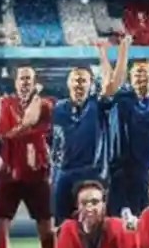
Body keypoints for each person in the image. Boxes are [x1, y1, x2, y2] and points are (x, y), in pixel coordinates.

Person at [50, 38, 128, 223]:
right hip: (64, 175)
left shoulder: (98, 104)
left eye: (83, 80)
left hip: (93, 175)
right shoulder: (58, 108)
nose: (79, 84)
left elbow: (112, 83)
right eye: (75, 80)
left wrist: (107, 53)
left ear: (90, 84)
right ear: (68, 83)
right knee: (62, 225)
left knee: (95, 225)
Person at [0, 66, 55, 248]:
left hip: (37, 172)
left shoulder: (45, 104)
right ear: (16, 82)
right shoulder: (4, 104)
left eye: (29, 78)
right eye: (22, 78)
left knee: (45, 223)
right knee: (1, 221)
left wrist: (13, 133)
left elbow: (31, 120)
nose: (25, 82)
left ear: (34, 81)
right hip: (8, 172)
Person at [107, 56, 149, 217]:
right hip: (120, 173)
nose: (142, 78)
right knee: (119, 222)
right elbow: (111, 86)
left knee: (148, 220)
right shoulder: (120, 100)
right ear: (130, 78)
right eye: (138, 74)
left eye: (146, 74)